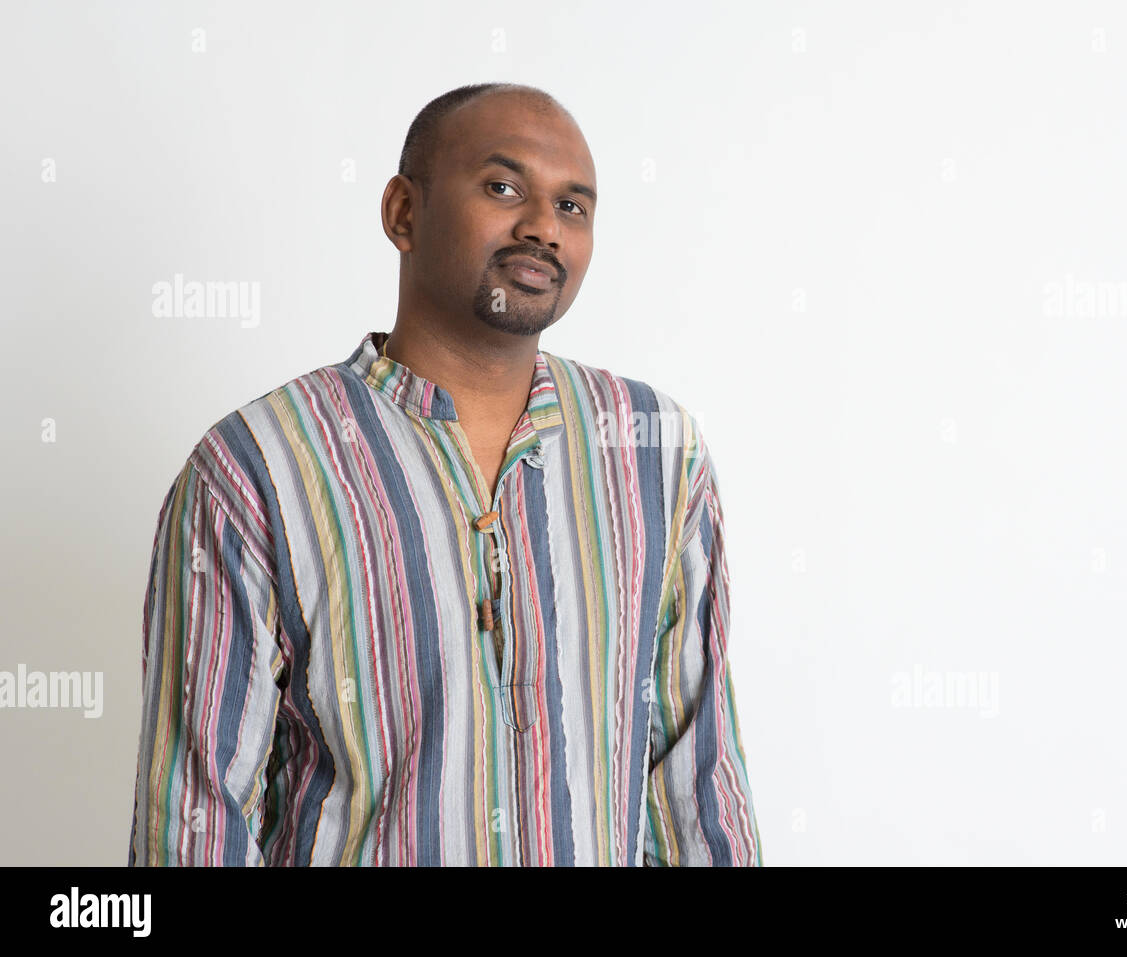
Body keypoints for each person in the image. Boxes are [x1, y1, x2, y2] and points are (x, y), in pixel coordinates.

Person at [128, 82, 762, 866]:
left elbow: (700, 786)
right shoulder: (258, 467)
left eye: (573, 207)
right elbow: (195, 819)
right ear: (403, 213)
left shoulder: (652, 452)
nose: (544, 227)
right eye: (503, 188)